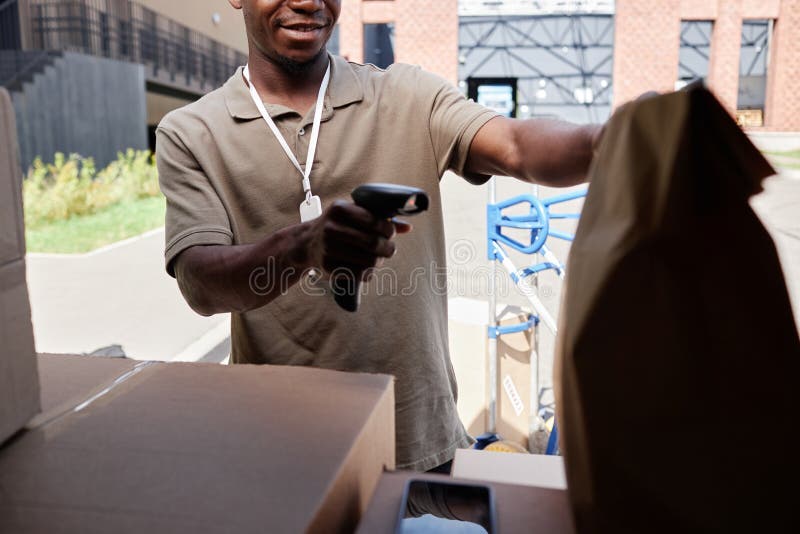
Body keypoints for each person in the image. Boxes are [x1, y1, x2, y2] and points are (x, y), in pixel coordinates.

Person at [156, 0, 600, 472]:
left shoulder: (408, 94)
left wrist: (610, 140)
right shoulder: (192, 132)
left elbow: (515, 144)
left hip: (418, 445)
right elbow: (200, 282)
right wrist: (302, 247)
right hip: (276, 452)